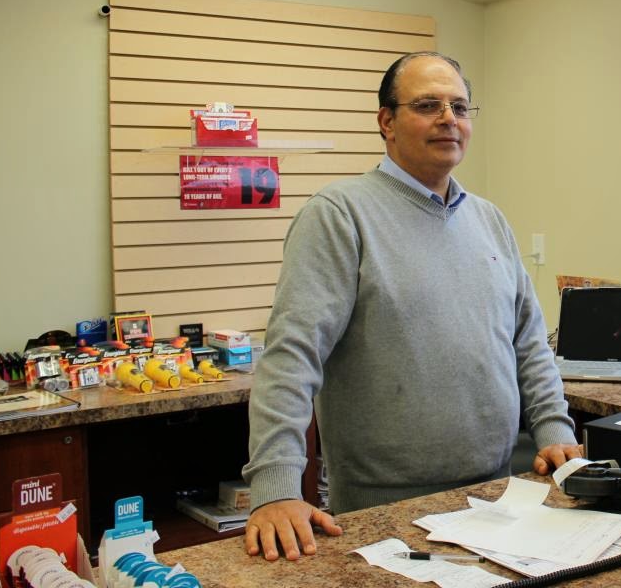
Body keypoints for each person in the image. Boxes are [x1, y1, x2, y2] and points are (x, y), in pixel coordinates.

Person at [242, 51, 583, 561]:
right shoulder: (339, 215)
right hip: (386, 508)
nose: (449, 119)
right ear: (386, 122)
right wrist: (276, 490)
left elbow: (528, 341)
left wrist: (554, 428)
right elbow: (291, 358)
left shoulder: (488, 219)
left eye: (460, 108)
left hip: (500, 492)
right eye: (428, 105)